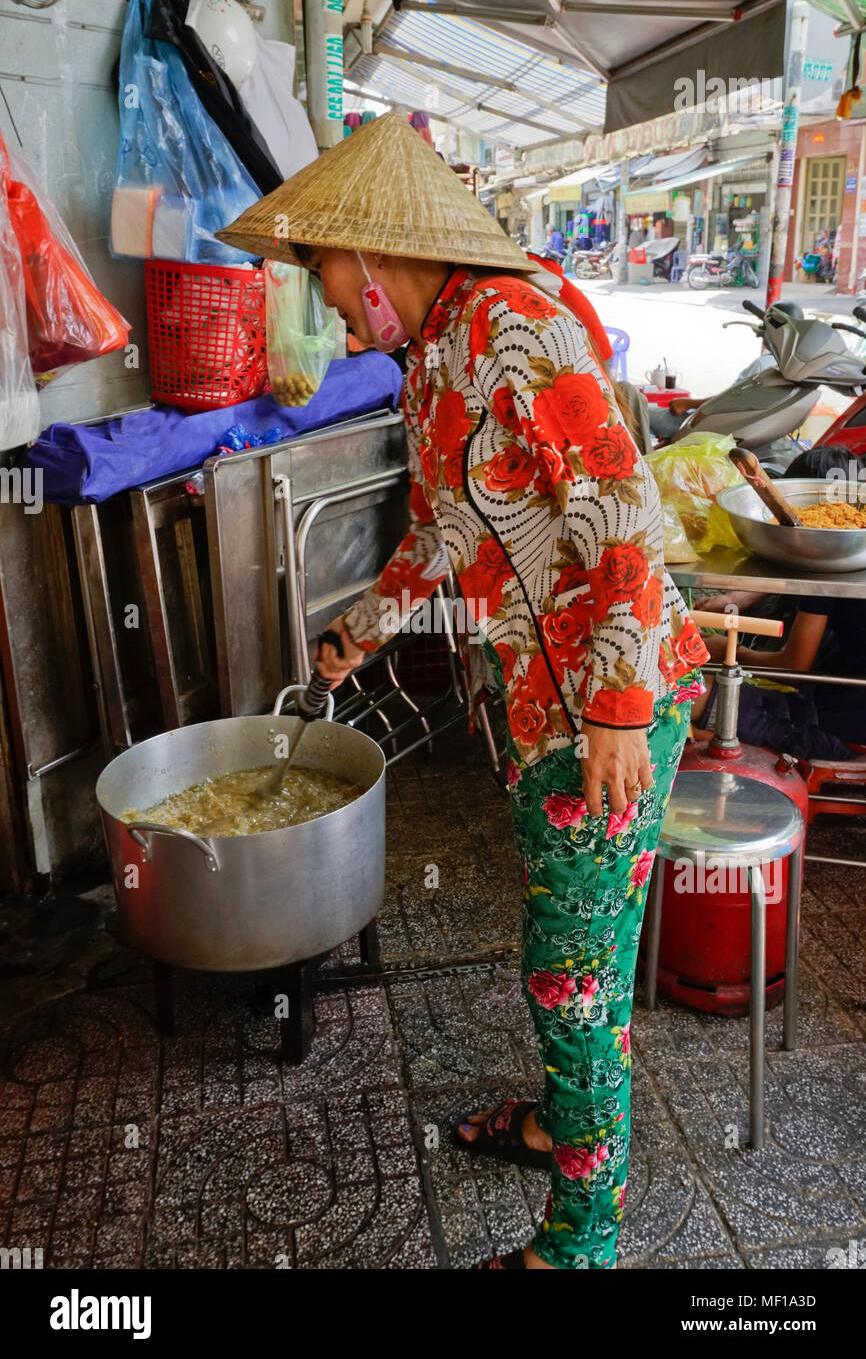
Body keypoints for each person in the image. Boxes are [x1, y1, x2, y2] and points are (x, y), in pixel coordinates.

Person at [217, 111, 709, 1270]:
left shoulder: (510, 325)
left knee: (570, 976)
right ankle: (556, 1124)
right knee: (560, 951)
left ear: (376, 250)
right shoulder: (429, 354)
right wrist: (366, 628)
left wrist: (616, 713)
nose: (316, 294)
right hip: (548, 711)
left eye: (320, 267)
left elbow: (627, 518)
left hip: (606, 711)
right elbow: (444, 525)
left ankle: (582, 1244)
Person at [692, 446, 866, 760]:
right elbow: (792, 566)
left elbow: (793, 667)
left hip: (842, 730)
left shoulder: (824, 556)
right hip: (849, 698)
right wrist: (738, 597)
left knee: (691, 697)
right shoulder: (853, 548)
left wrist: (731, 652)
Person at [649, 301, 804, 442]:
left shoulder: (764, 365)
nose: (760, 333)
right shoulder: (793, 368)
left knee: (639, 410)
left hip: (713, 427)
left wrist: (689, 403)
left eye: (764, 327)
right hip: (735, 428)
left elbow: (730, 400)